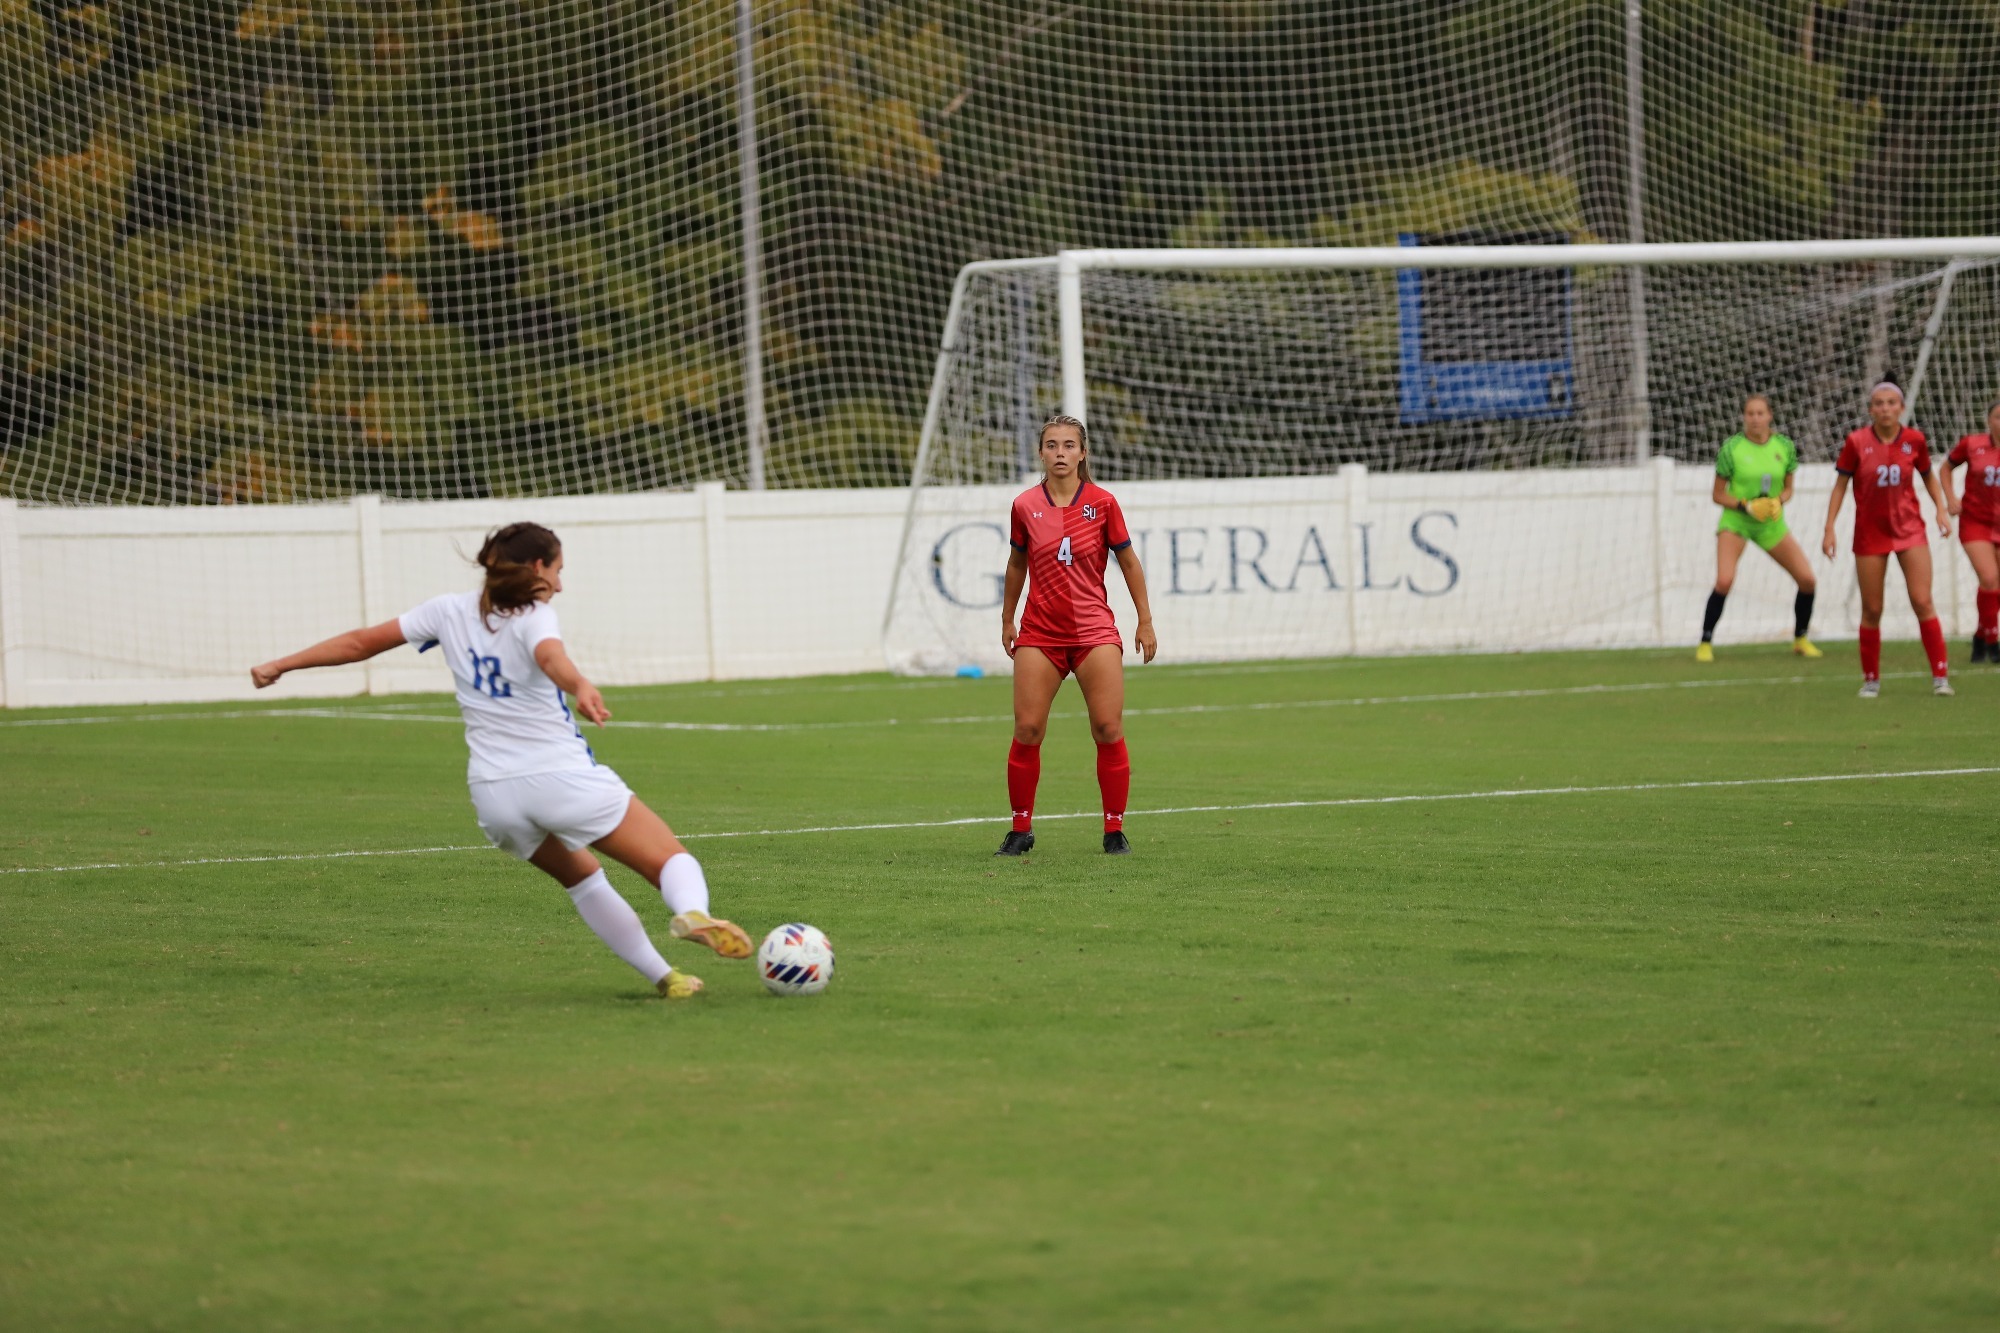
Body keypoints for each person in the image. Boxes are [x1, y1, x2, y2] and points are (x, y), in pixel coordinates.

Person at [249, 522, 751, 998]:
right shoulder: (534, 617)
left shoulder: (445, 610)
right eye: (557, 570)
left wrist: (282, 664)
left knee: (584, 881)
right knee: (670, 860)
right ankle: (693, 912)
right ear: (537, 567)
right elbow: (550, 656)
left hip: (494, 793)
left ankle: (668, 979)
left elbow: (360, 643)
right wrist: (579, 685)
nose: (559, 583)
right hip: (559, 778)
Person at [997, 412, 1158, 856]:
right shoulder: (1024, 505)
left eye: (1069, 445)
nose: (1060, 453)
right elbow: (1016, 565)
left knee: (1107, 727)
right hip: (1040, 634)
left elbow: (1128, 562)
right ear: (1042, 453)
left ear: (1083, 453)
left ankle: (1113, 831)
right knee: (1028, 729)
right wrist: (1008, 618)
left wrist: (1144, 620)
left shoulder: (1104, 503)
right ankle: (1020, 830)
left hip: (1094, 632)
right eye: (1052, 445)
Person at [1822, 382, 1955, 698]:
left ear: (1900, 408)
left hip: (1910, 531)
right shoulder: (1856, 442)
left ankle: (1941, 677)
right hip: (1870, 534)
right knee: (1872, 608)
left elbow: (1928, 477)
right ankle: (1871, 680)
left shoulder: (1914, 441)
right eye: (1879, 403)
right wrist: (1829, 527)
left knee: (1922, 600)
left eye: (1891, 402)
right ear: (1871, 409)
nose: (1885, 408)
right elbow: (1840, 486)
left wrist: (1940, 509)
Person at [1696, 393, 1821, 661]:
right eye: (1750, 413)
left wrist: (1778, 502)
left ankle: (1800, 638)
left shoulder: (1784, 446)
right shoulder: (1732, 448)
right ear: (1744, 417)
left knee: (1808, 580)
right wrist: (1746, 506)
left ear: (1770, 416)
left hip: (1770, 525)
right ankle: (1705, 642)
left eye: (1760, 413)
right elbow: (1717, 495)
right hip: (1737, 522)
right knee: (1724, 580)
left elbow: (1788, 490)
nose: (1755, 418)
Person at [1940, 398, 2000, 662]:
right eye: (1998, 416)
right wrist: (1951, 498)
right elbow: (1945, 468)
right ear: (1988, 420)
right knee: (1989, 578)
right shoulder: (1972, 444)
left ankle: (1979, 635)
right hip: (1975, 521)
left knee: (1994, 586)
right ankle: (1993, 641)